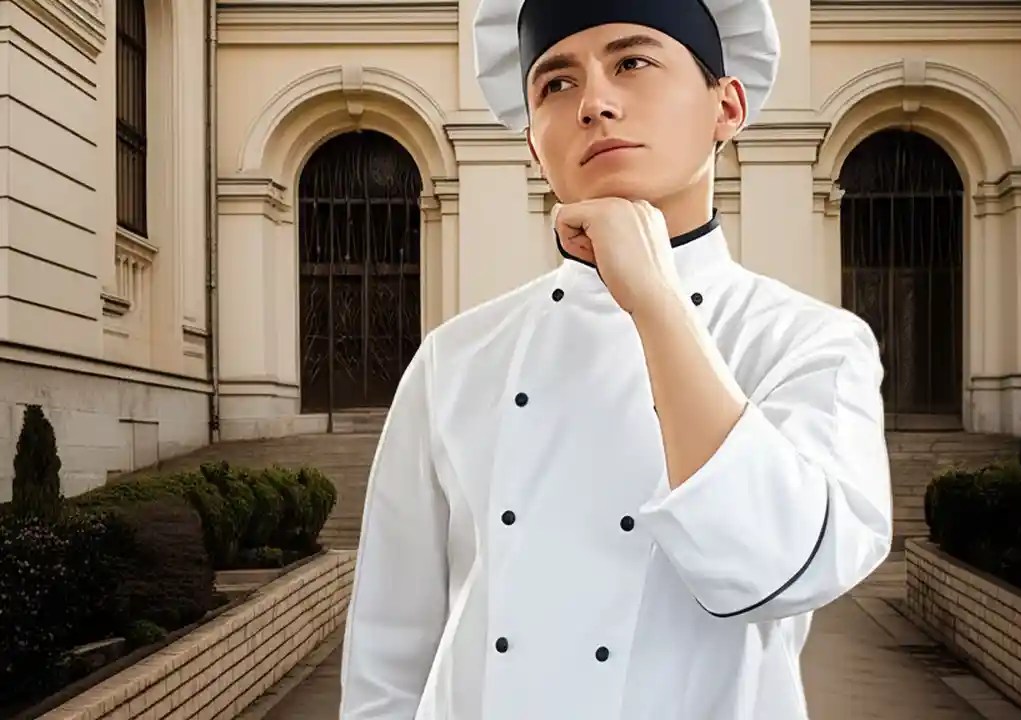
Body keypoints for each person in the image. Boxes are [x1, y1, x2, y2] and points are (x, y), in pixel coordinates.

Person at [338, 0, 893, 717]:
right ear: (535, 148)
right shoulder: (458, 359)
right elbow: (388, 653)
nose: (594, 103)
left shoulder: (809, 344)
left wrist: (655, 302)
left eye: (632, 63)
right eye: (555, 85)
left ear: (726, 107)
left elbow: (776, 567)